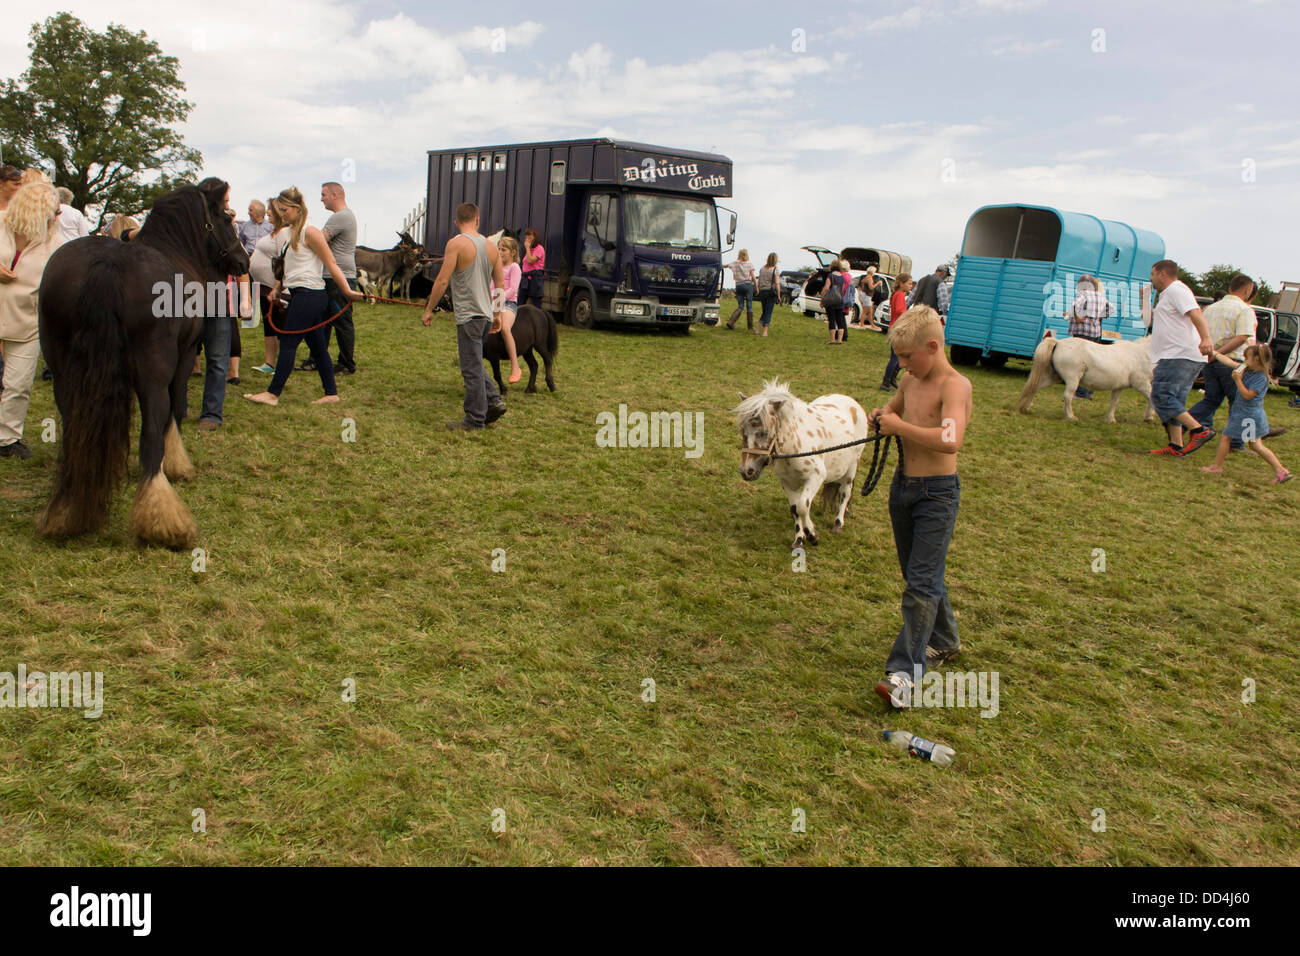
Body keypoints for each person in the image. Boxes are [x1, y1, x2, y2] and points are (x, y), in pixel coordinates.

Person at [867, 305, 973, 709]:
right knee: (920, 576)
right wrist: (881, 416)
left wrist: (899, 427)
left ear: (932, 346)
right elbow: (893, 410)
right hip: (904, 488)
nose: (903, 365)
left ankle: (904, 675)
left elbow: (950, 440)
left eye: (908, 357)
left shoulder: (955, 386)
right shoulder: (910, 382)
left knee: (921, 583)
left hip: (937, 495)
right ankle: (944, 640)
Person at [243, 186, 362, 408]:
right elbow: (286, 268)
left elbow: (331, 263)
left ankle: (272, 393)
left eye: (285, 210)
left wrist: (347, 290)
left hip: (311, 295)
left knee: (288, 343)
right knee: (317, 347)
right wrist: (277, 289)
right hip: (299, 294)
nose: (281, 214)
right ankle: (331, 393)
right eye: (279, 210)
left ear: (297, 209)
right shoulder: (286, 235)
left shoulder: (312, 232)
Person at [421, 202, 508, 430]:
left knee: (470, 368)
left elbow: (441, 280)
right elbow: (500, 283)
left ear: (456, 222)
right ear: (477, 220)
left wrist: (429, 308)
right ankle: (494, 400)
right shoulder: (491, 247)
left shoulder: (456, 244)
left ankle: (475, 419)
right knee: (475, 362)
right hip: (486, 315)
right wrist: (497, 313)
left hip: (469, 317)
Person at [0, 183, 65, 459]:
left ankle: (6, 438)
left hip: (26, 321)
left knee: (18, 384)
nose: (58, 216)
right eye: (53, 211)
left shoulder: (56, 243)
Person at [1147, 259, 1215, 456]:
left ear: (1162, 274)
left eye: (1153, 274)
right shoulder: (1169, 294)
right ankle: (1176, 445)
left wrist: (1206, 339)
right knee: (1174, 400)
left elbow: (1196, 314)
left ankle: (1199, 430)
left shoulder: (1177, 289)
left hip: (1179, 354)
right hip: (1180, 354)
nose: (1151, 279)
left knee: (1161, 395)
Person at [1201, 344, 1290, 483]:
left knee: (1226, 437)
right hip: (1245, 414)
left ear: (1256, 359)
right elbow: (1230, 362)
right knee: (1255, 445)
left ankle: (1216, 467)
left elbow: (1248, 395)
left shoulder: (1260, 378)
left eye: (1246, 358)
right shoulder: (1248, 369)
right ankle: (1280, 471)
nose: (1243, 360)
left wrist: (1237, 380)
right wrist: (1214, 353)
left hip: (1247, 416)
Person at [1190, 273, 1257, 440]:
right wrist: (1220, 353)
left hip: (1209, 360)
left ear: (1230, 287)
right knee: (1239, 403)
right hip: (1233, 361)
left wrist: (1213, 353)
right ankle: (1237, 442)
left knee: (1211, 399)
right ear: (1248, 290)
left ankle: (1184, 423)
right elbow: (1242, 337)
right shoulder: (1244, 309)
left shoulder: (1211, 308)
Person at [1066, 274, 1112, 399]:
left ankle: (1081, 393)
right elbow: (1111, 309)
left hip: (1082, 333)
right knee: (1091, 364)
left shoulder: (1083, 294)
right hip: (1095, 333)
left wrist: (1078, 317)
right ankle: (1089, 392)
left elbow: (1075, 306)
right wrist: (1098, 316)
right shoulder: (1100, 296)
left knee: (1080, 363)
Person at [248, 221, 282, 373]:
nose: (269, 216)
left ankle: (283, 364)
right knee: (268, 325)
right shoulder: (271, 233)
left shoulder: (285, 234)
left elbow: (283, 262)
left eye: (271, 213)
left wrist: (276, 286)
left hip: (274, 288)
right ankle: (269, 363)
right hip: (262, 287)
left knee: (279, 326)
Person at [491, 235, 524, 383]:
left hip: (508, 304)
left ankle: (515, 366)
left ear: (513, 252)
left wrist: (497, 297)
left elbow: (513, 289)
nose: (500, 252)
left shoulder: (514, 267)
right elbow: (491, 285)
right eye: (498, 249)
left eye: (503, 249)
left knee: (504, 328)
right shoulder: (495, 267)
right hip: (494, 301)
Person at [879, 273, 914, 389]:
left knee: (899, 356)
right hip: (897, 328)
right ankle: (886, 381)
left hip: (895, 327)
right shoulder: (899, 295)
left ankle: (891, 379)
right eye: (909, 283)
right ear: (901, 283)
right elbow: (900, 310)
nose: (911, 286)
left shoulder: (898, 295)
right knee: (896, 357)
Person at [726, 249, 756, 330]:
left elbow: (726, 265)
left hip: (739, 285)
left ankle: (731, 322)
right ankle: (750, 327)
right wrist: (756, 287)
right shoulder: (750, 263)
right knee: (749, 305)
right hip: (748, 285)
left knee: (740, 306)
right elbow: (753, 276)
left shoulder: (735, 263)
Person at [823, 258, 849, 344]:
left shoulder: (830, 276)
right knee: (840, 320)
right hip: (839, 300)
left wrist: (822, 298)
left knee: (832, 319)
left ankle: (832, 339)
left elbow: (827, 288)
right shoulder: (842, 277)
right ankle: (839, 340)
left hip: (831, 300)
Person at [755, 252, 780, 337]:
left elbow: (759, 280)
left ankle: (757, 329)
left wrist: (758, 289)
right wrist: (779, 295)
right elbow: (777, 283)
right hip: (770, 292)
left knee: (764, 311)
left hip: (762, 292)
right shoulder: (775, 269)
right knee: (768, 312)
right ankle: (765, 331)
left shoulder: (762, 269)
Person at [520, 227, 545, 309]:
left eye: (530, 238)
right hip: (525, 279)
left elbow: (530, 260)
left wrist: (527, 248)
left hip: (534, 279)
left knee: (536, 303)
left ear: (535, 238)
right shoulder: (530, 250)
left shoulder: (539, 249)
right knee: (520, 302)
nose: (527, 240)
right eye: (526, 238)